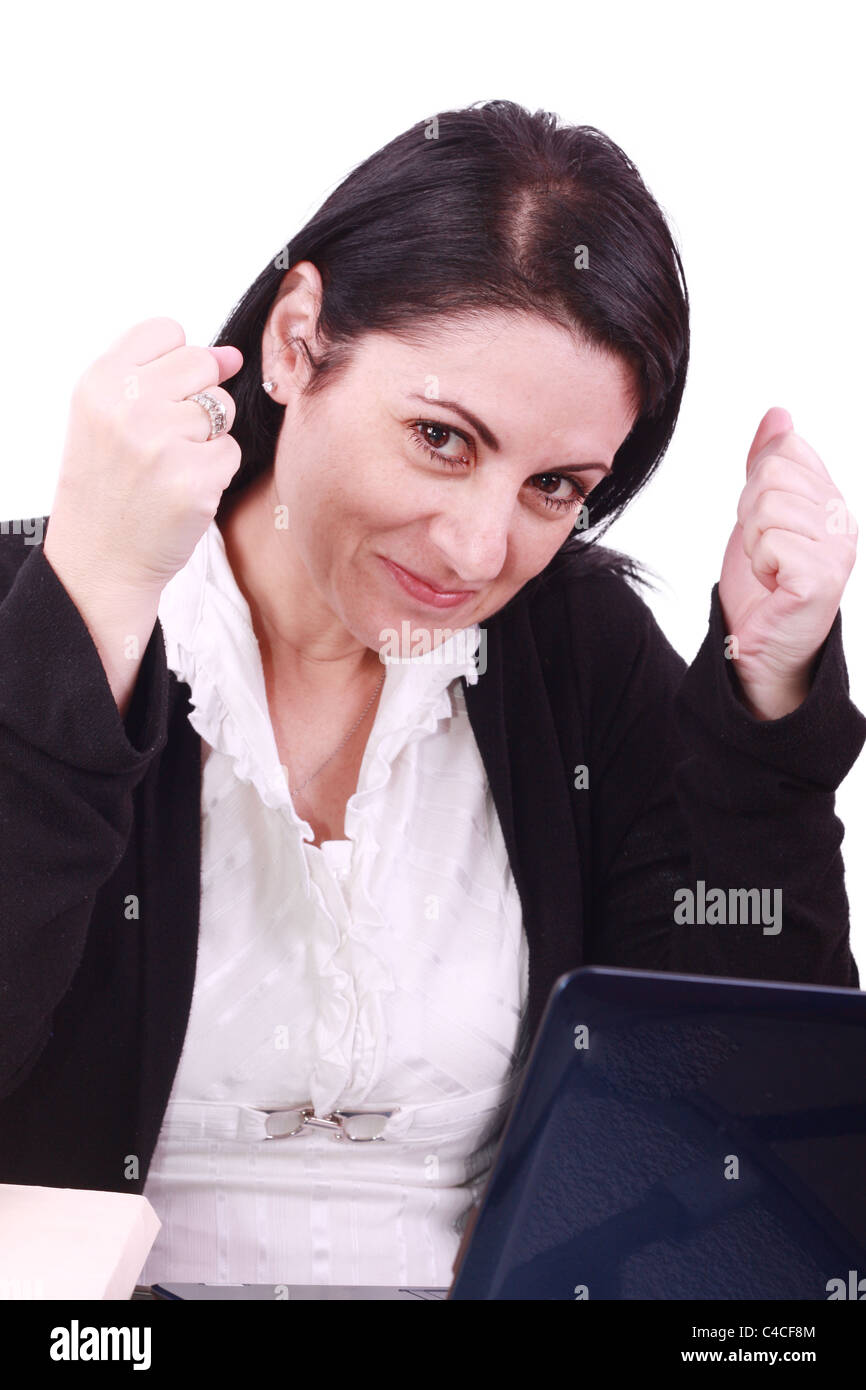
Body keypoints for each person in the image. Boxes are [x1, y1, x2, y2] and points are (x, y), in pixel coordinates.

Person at [0, 99, 863, 1290]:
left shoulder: (573, 655)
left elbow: (744, 1123)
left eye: (553, 484)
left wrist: (763, 712)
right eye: (443, 439)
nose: (474, 551)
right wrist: (82, 607)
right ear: (298, 339)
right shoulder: (54, 610)